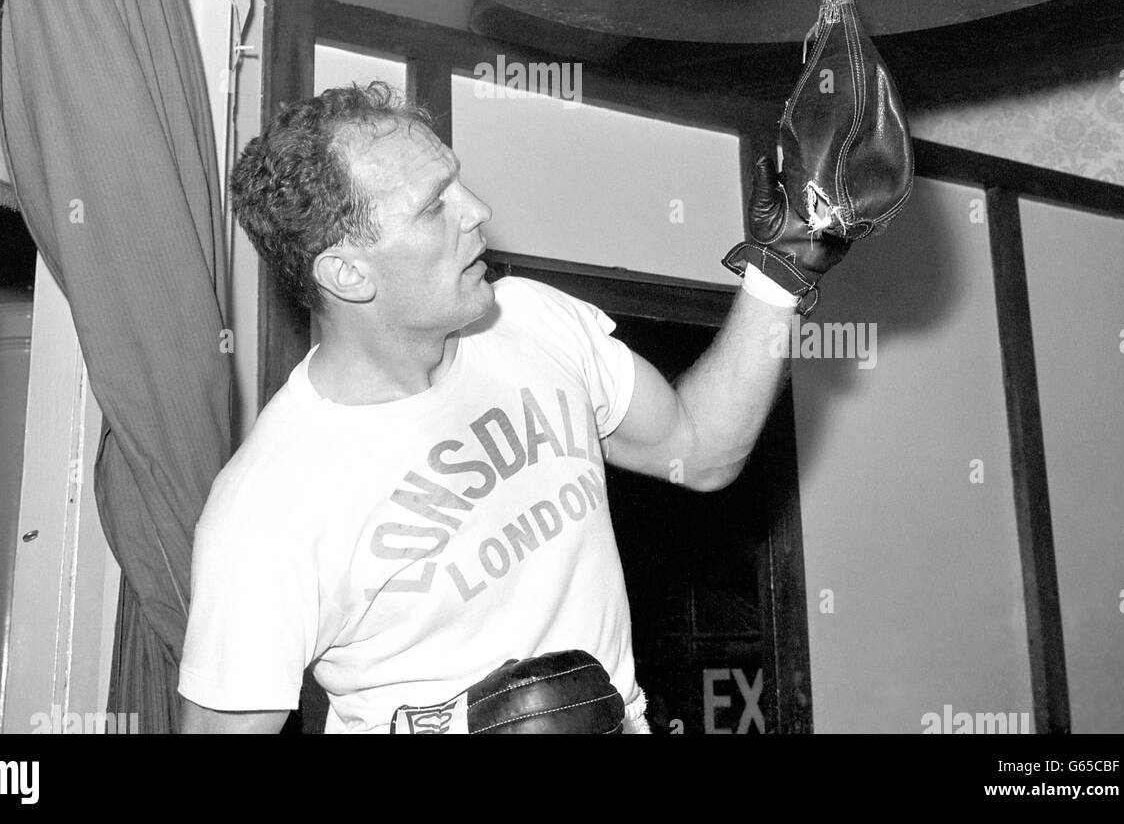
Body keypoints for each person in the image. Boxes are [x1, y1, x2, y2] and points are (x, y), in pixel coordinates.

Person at [178, 81, 846, 733]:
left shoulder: (531, 321)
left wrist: (780, 272)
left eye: (457, 180)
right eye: (434, 206)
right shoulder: (268, 507)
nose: (476, 209)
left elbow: (699, 451)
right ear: (347, 273)